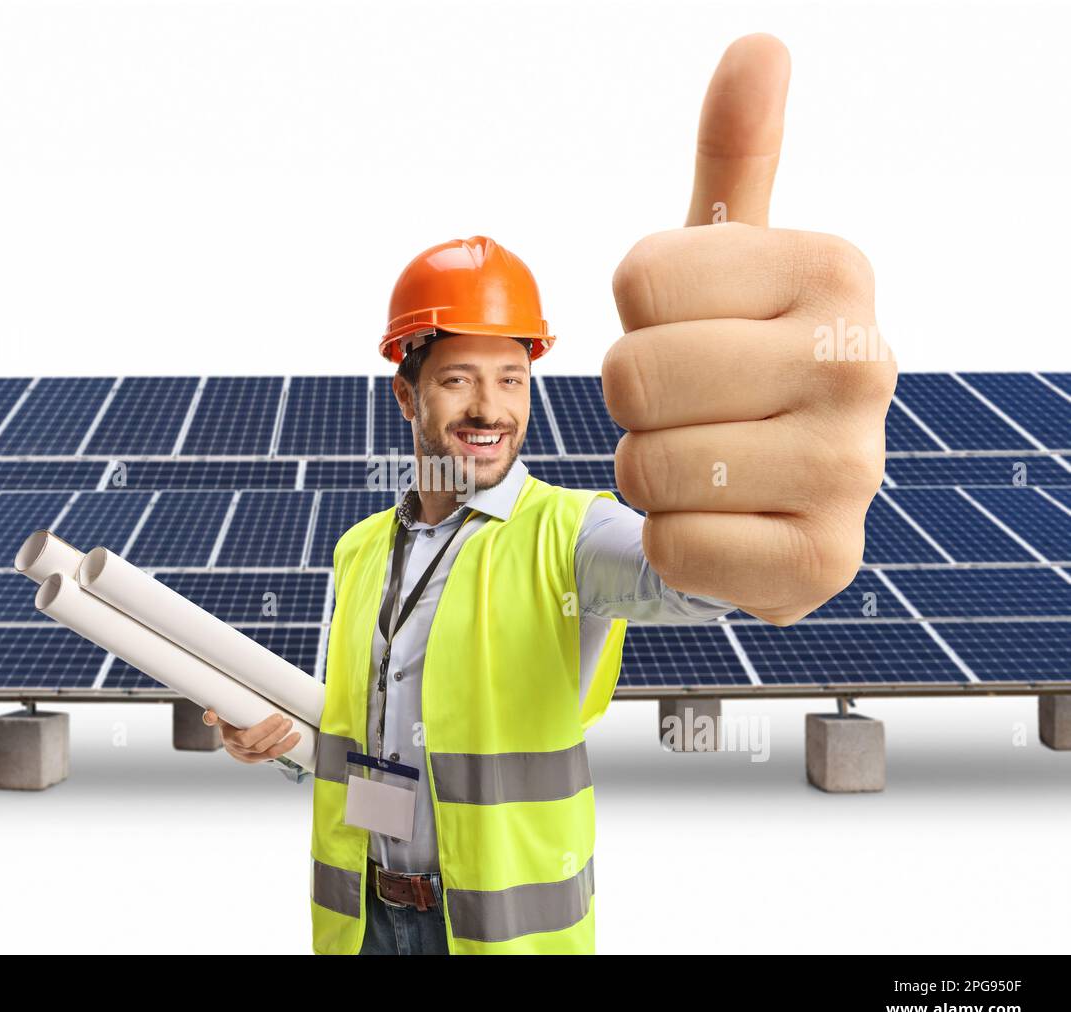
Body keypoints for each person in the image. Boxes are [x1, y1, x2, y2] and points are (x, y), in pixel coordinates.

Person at [203, 32, 897, 954]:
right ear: (406, 392)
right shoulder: (359, 550)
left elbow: (691, 575)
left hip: (504, 938)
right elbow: (363, 751)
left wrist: (761, 508)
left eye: (513, 376)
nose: (490, 408)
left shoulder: (573, 538)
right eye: (457, 379)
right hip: (360, 922)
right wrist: (282, 743)